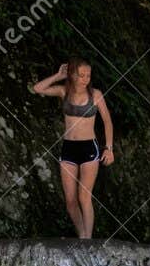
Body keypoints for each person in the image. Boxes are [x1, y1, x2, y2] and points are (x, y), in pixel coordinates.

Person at [31, 58, 114, 239]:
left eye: (88, 75)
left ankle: (87, 240)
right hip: (68, 148)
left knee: (84, 197)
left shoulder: (96, 95)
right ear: (72, 75)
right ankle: (82, 235)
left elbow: (107, 122)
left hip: (89, 148)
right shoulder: (64, 91)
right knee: (70, 201)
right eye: (81, 75)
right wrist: (58, 75)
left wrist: (108, 148)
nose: (85, 79)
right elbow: (37, 88)